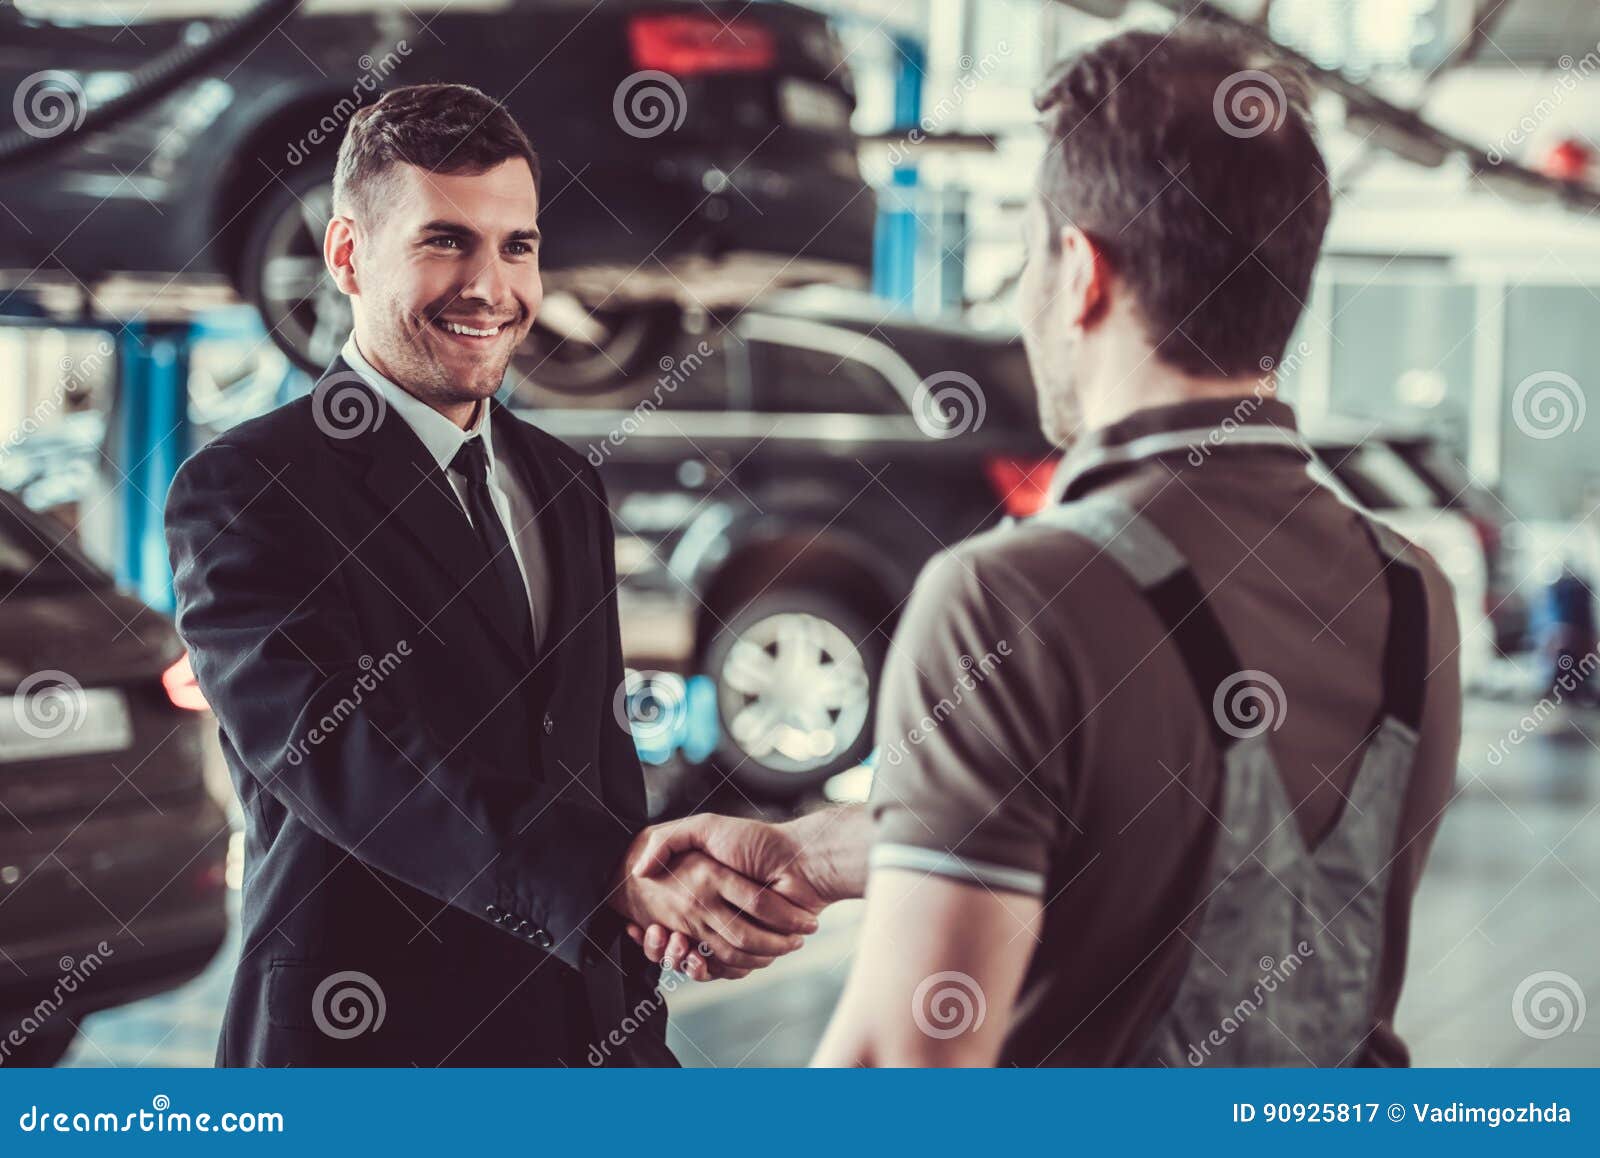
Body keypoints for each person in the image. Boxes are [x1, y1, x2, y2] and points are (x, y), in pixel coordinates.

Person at [627, 28, 1464, 1067]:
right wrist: (820, 854)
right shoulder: (1409, 594)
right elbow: (1150, 854)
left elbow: (899, 1067)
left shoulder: (1008, 598)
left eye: (1027, 255)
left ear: (1079, 273)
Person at [164, 84, 817, 1067]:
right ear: (346, 254)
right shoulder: (248, 488)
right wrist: (609, 881)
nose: (491, 287)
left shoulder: (561, 487)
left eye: (517, 246)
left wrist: (645, 947)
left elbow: (595, 774)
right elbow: (346, 756)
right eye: (443, 242)